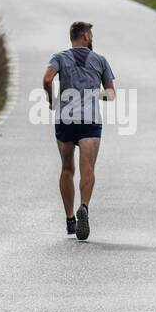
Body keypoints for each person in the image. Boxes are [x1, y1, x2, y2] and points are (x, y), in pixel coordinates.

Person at [42, 21, 115, 241]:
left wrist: (51, 100)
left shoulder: (59, 57)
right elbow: (111, 95)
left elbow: (47, 79)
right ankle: (84, 206)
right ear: (84, 36)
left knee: (67, 168)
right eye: (90, 35)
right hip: (90, 121)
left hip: (65, 118)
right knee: (88, 168)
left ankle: (70, 219)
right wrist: (96, 94)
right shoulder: (100, 60)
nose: (92, 38)